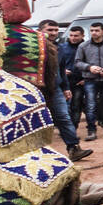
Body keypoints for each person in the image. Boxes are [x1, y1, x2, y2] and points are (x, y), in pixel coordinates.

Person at [38, 20, 91, 161]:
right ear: (40, 30)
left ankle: (74, 149)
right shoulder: (32, 47)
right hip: (37, 90)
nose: (54, 33)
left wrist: (66, 87)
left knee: (64, 117)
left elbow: (61, 70)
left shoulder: (59, 48)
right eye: (50, 30)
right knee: (38, 121)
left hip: (55, 89)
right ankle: (37, 155)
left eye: (56, 30)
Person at [59, 24, 87, 128]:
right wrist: (62, 70)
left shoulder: (86, 47)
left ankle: (73, 128)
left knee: (76, 106)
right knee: (64, 107)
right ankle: (66, 128)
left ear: (82, 36)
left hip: (79, 82)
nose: (73, 38)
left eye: (76, 36)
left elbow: (91, 63)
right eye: (71, 35)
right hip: (64, 81)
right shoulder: (62, 47)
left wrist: (85, 78)